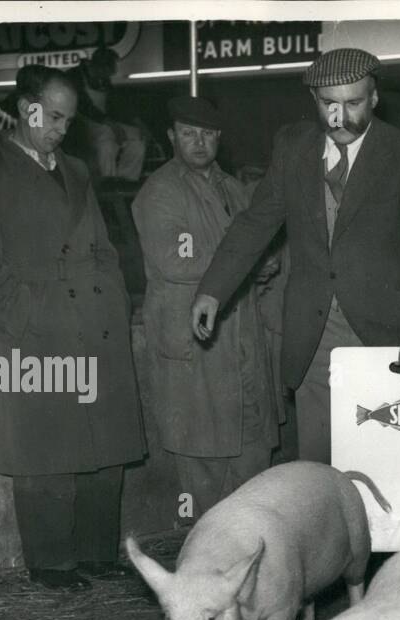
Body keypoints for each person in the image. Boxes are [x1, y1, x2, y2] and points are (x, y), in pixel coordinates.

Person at [191, 48, 400, 463]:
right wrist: (213, 289)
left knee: (385, 466)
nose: (340, 118)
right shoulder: (292, 147)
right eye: (328, 105)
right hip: (313, 337)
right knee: (320, 473)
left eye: (353, 103)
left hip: (388, 336)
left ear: (374, 98)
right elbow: (255, 224)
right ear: (314, 101)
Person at [0, 64, 145, 590]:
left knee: (104, 447)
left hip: (96, 325)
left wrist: (115, 302)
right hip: (38, 334)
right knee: (47, 451)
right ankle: (53, 563)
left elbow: (104, 248)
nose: (62, 127)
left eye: (69, 119)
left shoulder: (79, 170)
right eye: (53, 116)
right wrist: (31, 316)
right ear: (25, 107)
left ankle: (98, 552)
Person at [132, 96, 284, 517]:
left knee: (254, 464)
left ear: (219, 137)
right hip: (196, 352)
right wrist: (248, 262)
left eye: (207, 133)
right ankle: (206, 566)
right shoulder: (159, 192)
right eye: (188, 133)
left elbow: (257, 242)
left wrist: (265, 260)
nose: (199, 142)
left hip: (243, 345)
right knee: (203, 474)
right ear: (171, 137)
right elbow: (176, 259)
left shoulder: (234, 189)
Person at [71, 47, 148, 182]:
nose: (112, 73)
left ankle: (126, 181)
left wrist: (138, 124)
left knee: (137, 141)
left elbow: (118, 106)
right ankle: (107, 183)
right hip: (79, 126)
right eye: (110, 70)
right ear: (100, 67)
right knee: (107, 143)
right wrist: (109, 123)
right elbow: (82, 106)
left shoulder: (103, 81)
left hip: (105, 125)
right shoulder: (74, 76)